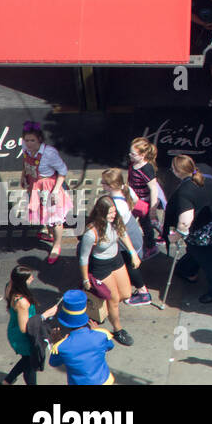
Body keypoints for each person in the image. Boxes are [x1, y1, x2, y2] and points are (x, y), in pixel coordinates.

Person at [165, 154, 212, 303]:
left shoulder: (185, 191)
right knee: (198, 251)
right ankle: (186, 268)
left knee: (209, 259)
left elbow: (185, 223)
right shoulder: (204, 169)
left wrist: (176, 235)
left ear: (177, 172)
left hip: (202, 231)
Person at [78, 195, 139, 346]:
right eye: (109, 213)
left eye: (114, 212)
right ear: (101, 213)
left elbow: (123, 234)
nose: (113, 216)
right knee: (114, 300)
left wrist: (133, 253)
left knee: (125, 294)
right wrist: (86, 279)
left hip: (116, 260)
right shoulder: (91, 232)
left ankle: (105, 309)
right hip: (101, 266)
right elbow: (83, 258)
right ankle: (118, 329)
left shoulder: (115, 221)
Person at [19, 121, 71, 263]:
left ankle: (57, 244)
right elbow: (25, 162)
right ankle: (49, 233)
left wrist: (55, 191)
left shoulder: (49, 153)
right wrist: (23, 176)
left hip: (49, 186)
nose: (29, 143)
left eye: (32, 140)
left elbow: (63, 171)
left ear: (39, 140)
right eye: (27, 140)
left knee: (55, 219)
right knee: (43, 214)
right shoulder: (25, 148)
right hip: (34, 185)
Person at [100, 169, 152, 307]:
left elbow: (119, 230)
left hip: (127, 238)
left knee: (131, 265)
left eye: (103, 183)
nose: (101, 184)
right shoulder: (126, 189)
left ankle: (143, 292)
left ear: (111, 185)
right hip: (133, 229)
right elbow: (134, 201)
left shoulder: (117, 206)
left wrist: (131, 251)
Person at [48, 290, 116, 386]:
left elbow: (54, 362)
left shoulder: (62, 346)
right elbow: (110, 346)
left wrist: (56, 342)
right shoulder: (101, 335)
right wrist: (97, 331)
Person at [126, 138, 165, 259]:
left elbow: (154, 189)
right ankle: (163, 231)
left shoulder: (146, 168)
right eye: (130, 152)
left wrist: (152, 208)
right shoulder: (133, 163)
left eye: (133, 154)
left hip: (145, 201)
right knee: (149, 221)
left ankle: (151, 247)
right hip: (135, 198)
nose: (130, 155)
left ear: (142, 155)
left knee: (146, 224)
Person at [2, 266, 41, 385]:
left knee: (26, 360)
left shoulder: (10, 286)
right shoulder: (22, 302)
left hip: (14, 330)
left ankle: (7, 381)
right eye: (30, 277)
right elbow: (24, 328)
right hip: (24, 338)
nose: (33, 278)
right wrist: (43, 316)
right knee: (30, 366)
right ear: (23, 282)